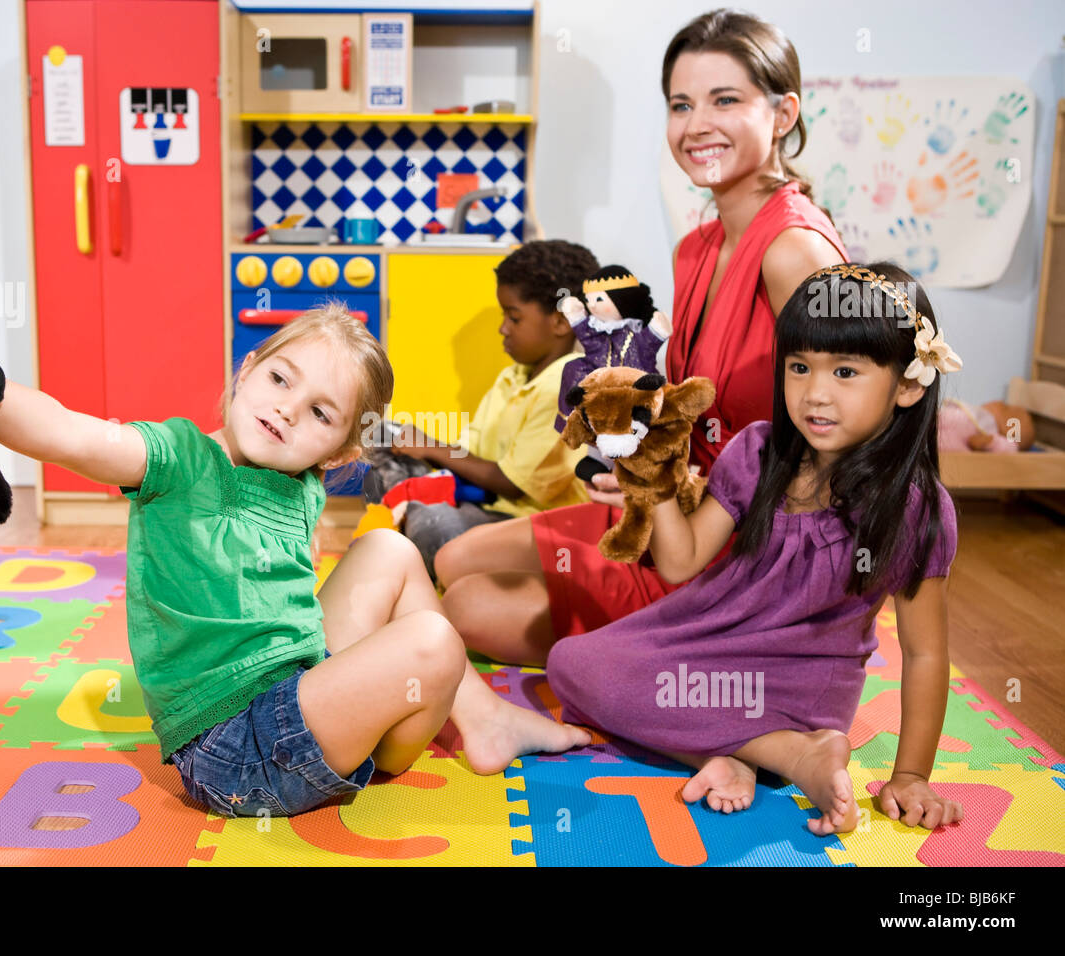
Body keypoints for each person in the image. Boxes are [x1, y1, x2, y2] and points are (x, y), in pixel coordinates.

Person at [0, 304, 590, 817]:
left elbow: (282, 616)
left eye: (321, 412)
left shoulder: (298, 482)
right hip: (236, 753)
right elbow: (69, 432)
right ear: (246, 370)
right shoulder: (177, 458)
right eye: (280, 379)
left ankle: (482, 718)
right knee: (432, 640)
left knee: (391, 549)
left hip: (291, 694)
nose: (288, 409)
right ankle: (397, 731)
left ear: (340, 451)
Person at [437, 8, 850, 665]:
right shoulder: (698, 247)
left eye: (726, 100)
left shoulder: (796, 250)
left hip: (740, 549)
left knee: (468, 605)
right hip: (670, 507)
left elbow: (847, 436)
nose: (697, 125)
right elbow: (690, 412)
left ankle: (718, 658)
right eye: (681, 104)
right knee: (456, 557)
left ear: (783, 113)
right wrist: (639, 476)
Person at [547, 263, 965, 834]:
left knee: (599, 681)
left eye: (845, 371)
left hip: (804, 689)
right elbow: (680, 562)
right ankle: (761, 755)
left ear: (910, 384)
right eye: (799, 368)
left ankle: (782, 749)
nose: (815, 393)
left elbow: (923, 654)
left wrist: (912, 775)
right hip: (705, 647)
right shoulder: (759, 452)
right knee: (571, 665)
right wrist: (651, 471)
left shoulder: (915, 507)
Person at [363, 240, 599, 578]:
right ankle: (407, 534)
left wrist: (431, 447)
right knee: (382, 440)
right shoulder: (513, 376)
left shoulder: (568, 387)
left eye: (513, 317)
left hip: (529, 525)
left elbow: (511, 483)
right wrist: (418, 446)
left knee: (437, 526)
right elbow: (470, 453)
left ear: (561, 322)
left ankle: (415, 544)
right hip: (482, 502)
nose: (503, 328)